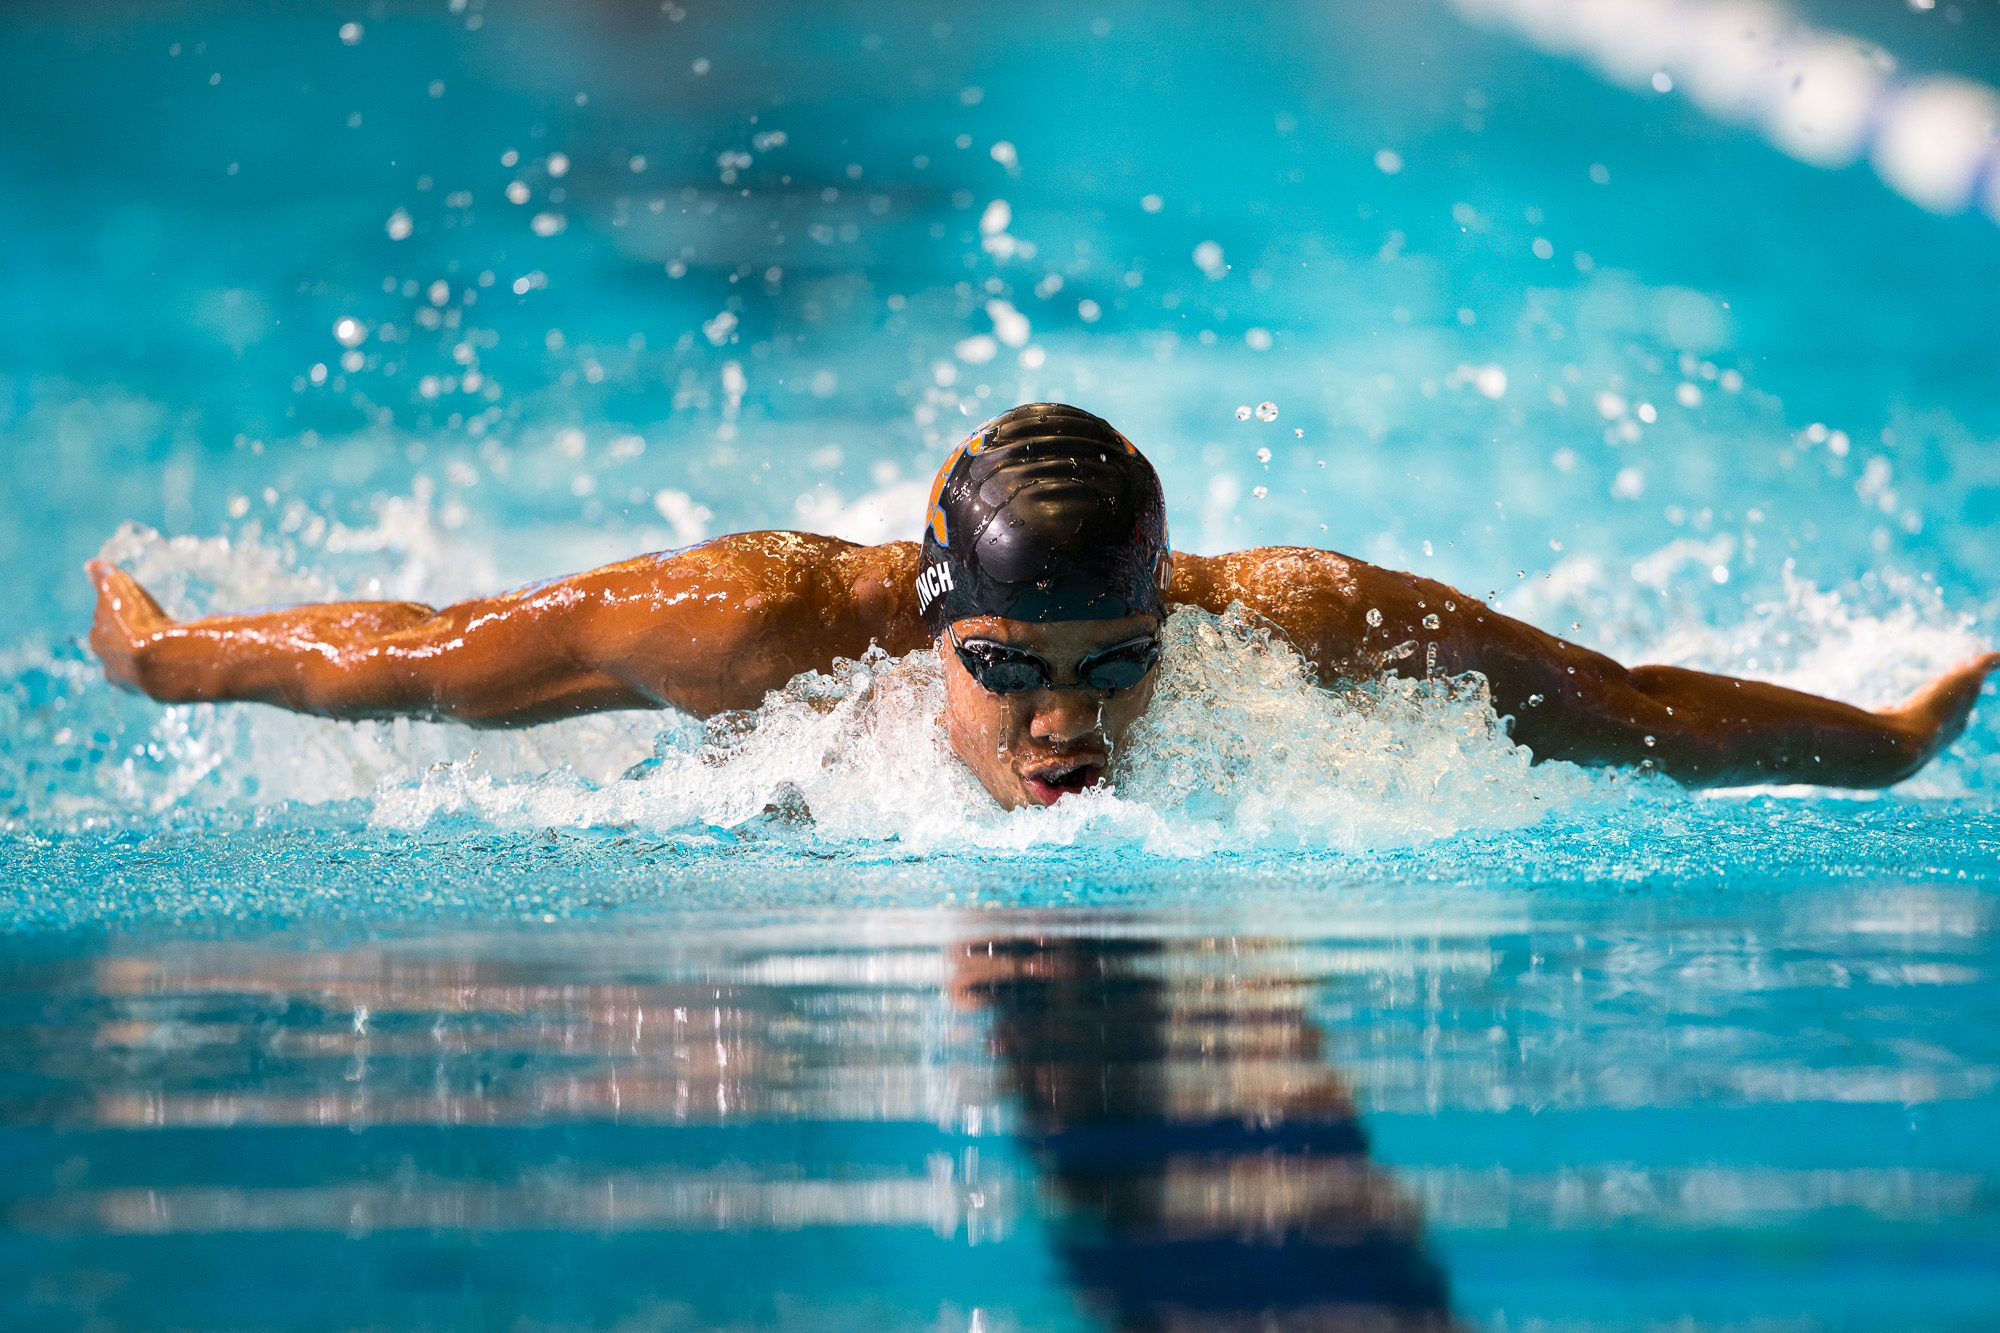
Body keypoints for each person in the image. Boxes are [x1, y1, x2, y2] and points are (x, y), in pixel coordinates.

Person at [87, 402, 1996, 809]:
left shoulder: (1299, 624)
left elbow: (1625, 702)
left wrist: (1892, 741)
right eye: (1008, 672)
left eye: (1116, 668)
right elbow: (423, 652)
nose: (1069, 726)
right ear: (930, 635)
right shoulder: (761, 628)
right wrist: (174, 656)